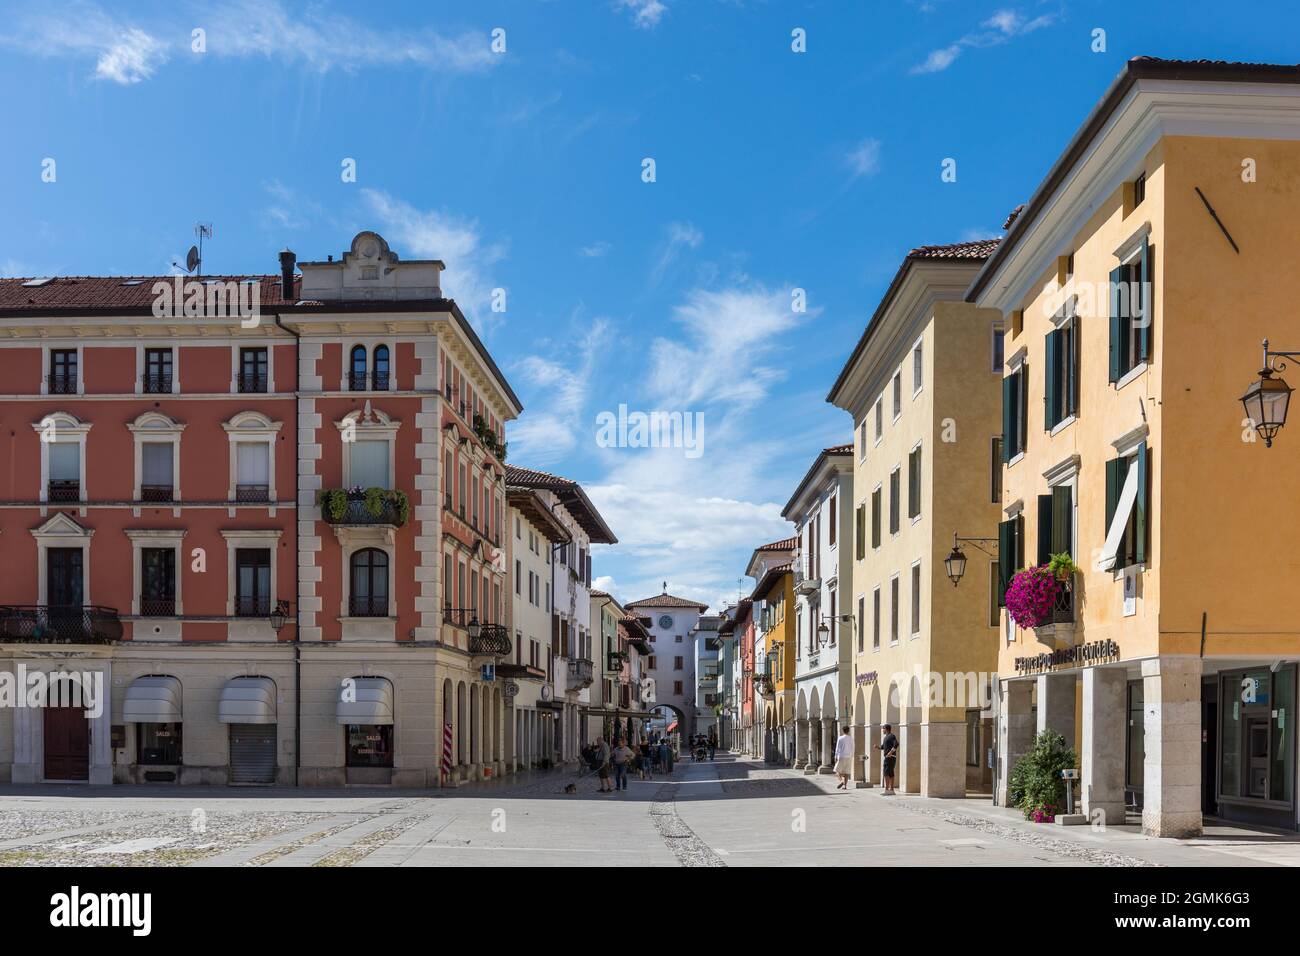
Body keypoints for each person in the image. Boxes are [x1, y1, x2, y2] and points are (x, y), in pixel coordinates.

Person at [878, 724, 899, 796]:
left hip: (890, 757)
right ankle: (891, 790)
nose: (882, 730)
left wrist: (890, 752)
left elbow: (896, 744)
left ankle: (887, 790)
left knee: (886, 773)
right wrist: (878, 747)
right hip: (890, 757)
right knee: (890, 773)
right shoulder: (886, 737)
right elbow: (883, 747)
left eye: (883, 729)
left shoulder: (891, 736)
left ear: (886, 729)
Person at [833, 725, 854, 790]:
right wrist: (852, 755)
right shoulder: (851, 738)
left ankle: (842, 781)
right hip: (849, 756)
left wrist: (836, 756)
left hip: (842, 756)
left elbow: (837, 748)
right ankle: (845, 786)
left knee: (836, 771)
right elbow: (853, 747)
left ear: (843, 731)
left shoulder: (840, 738)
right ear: (848, 731)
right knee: (846, 772)